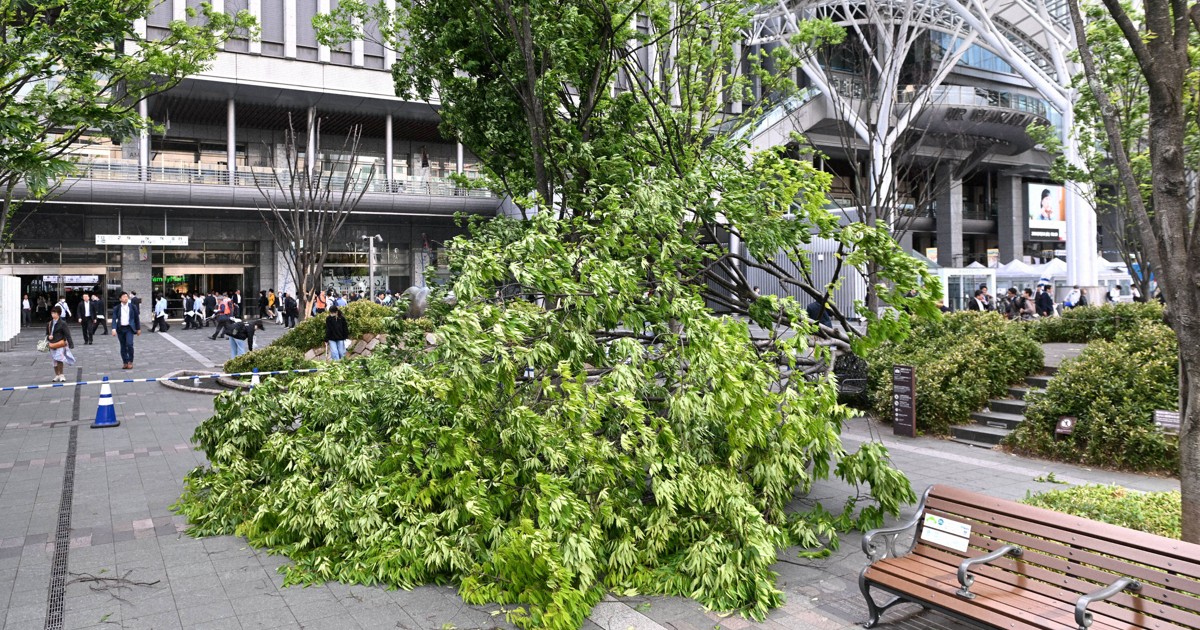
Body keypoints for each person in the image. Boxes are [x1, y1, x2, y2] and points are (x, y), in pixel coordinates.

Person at [111, 291, 140, 370]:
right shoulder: (116, 308)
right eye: (123, 297)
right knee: (123, 346)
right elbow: (114, 319)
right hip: (120, 329)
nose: (125, 298)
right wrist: (114, 329)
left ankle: (130, 361)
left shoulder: (133, 307)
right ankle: (125, 362)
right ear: (120, 299)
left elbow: (137, 318)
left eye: (126, 296)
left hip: (129, 328)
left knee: (129, 344)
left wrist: (138, 329)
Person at [46, 305, 75, 382]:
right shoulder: (49, 323)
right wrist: (49, 337)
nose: (53, 315)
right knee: (54, 360)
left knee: (59, 359)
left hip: (60, 343)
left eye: (54, 313)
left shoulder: (62, 323)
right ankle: (57, 375)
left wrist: (71, 343)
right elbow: (46, 334)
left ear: (58, 314)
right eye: (52, 313)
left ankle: (61, 375)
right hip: (52, 344)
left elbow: (67, 333)